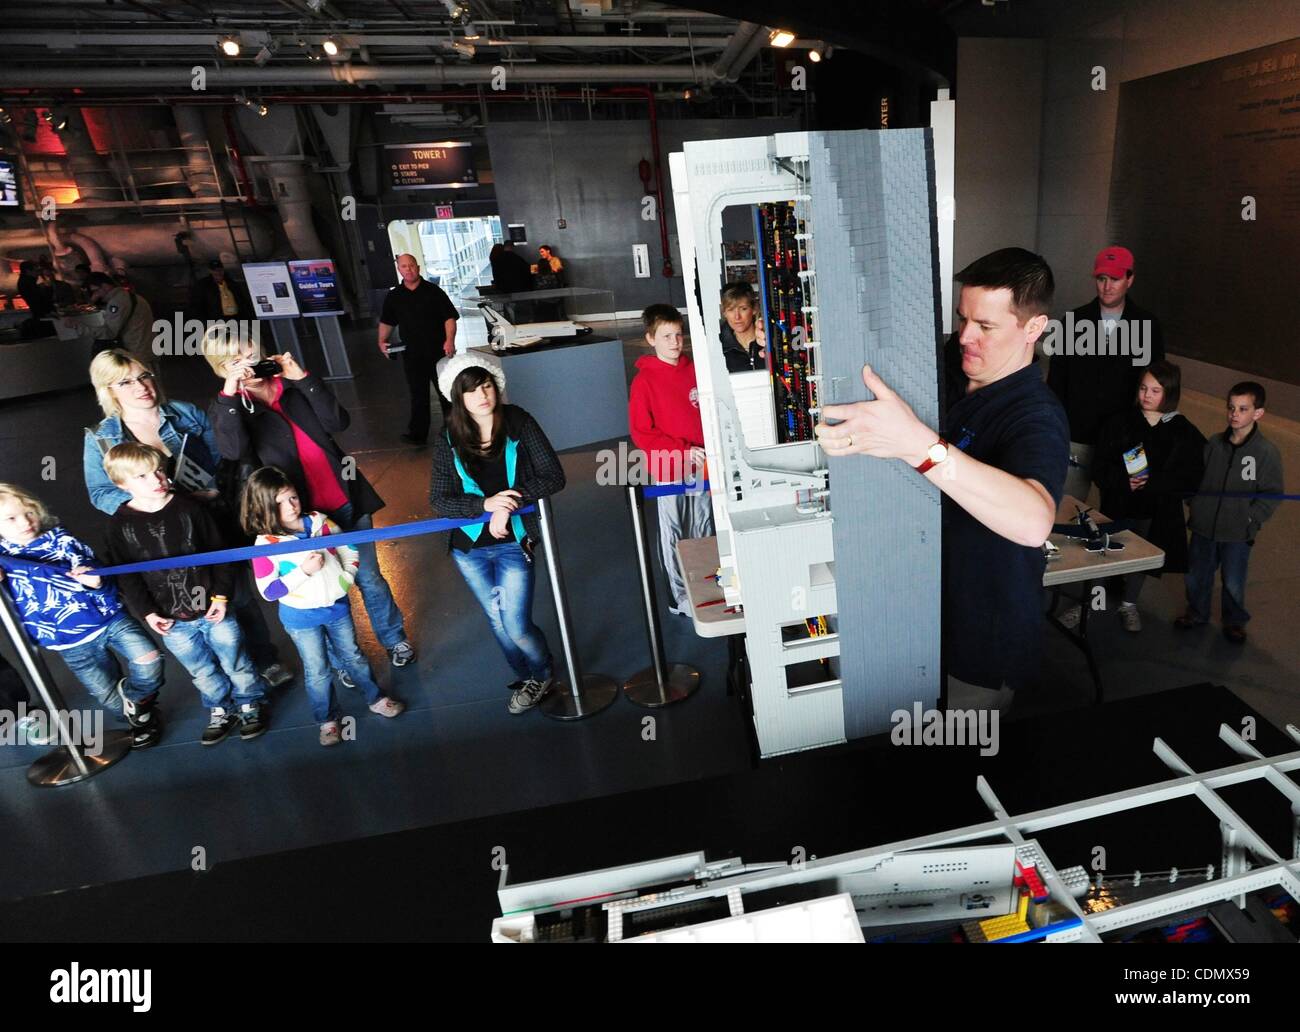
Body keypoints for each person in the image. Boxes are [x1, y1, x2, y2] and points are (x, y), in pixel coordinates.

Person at [815, 248, 1069, 712]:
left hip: (978, 641)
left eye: (987, 327)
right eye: (963, 318)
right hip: (910, 615)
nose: (966, 336)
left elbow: (1034, 522)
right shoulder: (953, 364)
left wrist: (920, 447)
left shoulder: (1035, 415)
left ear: (1033, 328)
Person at [203, 328, 417, 669]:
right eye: (233, 359)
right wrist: (231, 393)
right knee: (320, 587)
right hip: (298, 513)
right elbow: (234, 451)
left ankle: (394, 639)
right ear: (221, 367)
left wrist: (301, 377)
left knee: (369, 577)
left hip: (344, 494)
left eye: (247, 350)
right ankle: (346, 661)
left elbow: (338, 421)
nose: (245, 361)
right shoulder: (228, 405)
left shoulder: (291, 383)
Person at [83, 349, 291, 688]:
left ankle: (264, 661)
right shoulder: (100, 437)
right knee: (186, 610)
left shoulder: (185, 413)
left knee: (238, 596)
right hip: (156, 539)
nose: (141, 387)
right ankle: (220, 682)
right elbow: (100, 493)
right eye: (126, 382)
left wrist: (212, 491)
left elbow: (225, 459)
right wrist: (159, 501)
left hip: (210, 522)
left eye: (144, 376)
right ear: (109, 390)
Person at [101, 443, 269, 745]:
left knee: (236, 660)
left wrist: (220, 596)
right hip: (171, 619)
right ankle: (220, 708)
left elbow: (220, 554)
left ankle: (250, 702)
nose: (156, 481)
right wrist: (148, 613)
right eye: (142, 477)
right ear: (120, 484)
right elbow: (127, 575)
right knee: (200, 669)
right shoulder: (119, 525)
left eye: (159, 472)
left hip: (214, 608)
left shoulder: (191, 508)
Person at [429, 353, 565, 714]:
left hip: (513, 543)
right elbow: (439, 501)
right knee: (496, 619)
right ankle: (524, 676)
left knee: (516, 625)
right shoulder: (448, 437)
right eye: (471, 390)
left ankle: (542, 672)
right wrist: (486, 506)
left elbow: (554, 476)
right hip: (468, 547)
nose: (482, 395)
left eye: (486, 385)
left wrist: (508, 503)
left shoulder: (517, 421)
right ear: (458, 398)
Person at [241, 467, 406, 746]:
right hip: (300, 618)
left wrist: (346, 579)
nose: (291, 506)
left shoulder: (320, 521)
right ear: (264, 507)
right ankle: (327, 720)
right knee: (316, 670)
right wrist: (303, 571)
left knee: (353, 656)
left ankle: (376, 698)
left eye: (292, 497)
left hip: (337, 608)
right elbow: (269, 590)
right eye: (279, 502)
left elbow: (348, 548)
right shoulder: (264, 544)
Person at [0, 483, 164, 749]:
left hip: (108, 619)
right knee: (106, 695)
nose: (24, 522)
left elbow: (92, 564)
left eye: (28, 512)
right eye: (11, 519)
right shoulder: (4, 560)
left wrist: (94, 579)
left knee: (150, 659)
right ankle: (141, 719)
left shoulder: (61, 540)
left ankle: (138, 700)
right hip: (67, 639)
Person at [1075, 361, 1205, 633]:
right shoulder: (1121, 422)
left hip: (1153, 510)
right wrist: (1123, 481)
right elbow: (1101, 465)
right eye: (1144, 388)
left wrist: (1156, 483)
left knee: (1140, 558)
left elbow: (1191, 473)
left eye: (1155, 390)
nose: (1147, 395)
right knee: (1103, 554)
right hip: (1118, 505)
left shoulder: (1182, 430)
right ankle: (1092, 604)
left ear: (1169, 393)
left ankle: (1128, 603)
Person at [1046, 246, 1166, 500]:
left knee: (1127, 508)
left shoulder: (1148, 326)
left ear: (1130, 279)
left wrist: (1148, 435)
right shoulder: (1073, 321)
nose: (1107, 286)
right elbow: (1056, 382)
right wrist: (1055, 429)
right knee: (1066, 504)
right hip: (1076, 436)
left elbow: (1157, 386)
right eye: (1101, 279)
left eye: (1115, 279)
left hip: (1130, 439)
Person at [1178, 382, 1284, 644]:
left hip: (1237, 532)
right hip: (1204, 527)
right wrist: (1196, 503)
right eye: (1231, 408)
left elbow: (1271, 492)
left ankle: (1234, 621)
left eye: (1243, 409)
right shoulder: (1214, 444)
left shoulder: (1266, 453)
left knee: (1234, 581)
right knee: (1196, 574)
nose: (1234, 414)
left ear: (1258, 413)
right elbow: (1196, 476)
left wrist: (1251, 518)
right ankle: (1197, 612)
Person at [628, 304, 714, 617]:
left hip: (702, 465)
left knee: (703, 526)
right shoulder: (644, 381)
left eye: (678, 334)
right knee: (675, 532)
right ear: (651, 339)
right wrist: (679, 451)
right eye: (666, 336)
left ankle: (705, 587)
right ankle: (681, 596)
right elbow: (642, 433)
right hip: (668, 468)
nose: (675, 341)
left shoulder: (695, 370)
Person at [378, 253, 459, 447]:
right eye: (404, 266)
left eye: (412, 265)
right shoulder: (394, 296)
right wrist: (381, 341)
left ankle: (455, 432)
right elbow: (387, 321)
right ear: (400, 270)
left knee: (446, 393)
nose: (409, 269)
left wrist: (450, 340)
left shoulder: (433, 291)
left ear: (418, 267)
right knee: (418, 394)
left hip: (439, 351)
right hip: (412, 354)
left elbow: (449, 318)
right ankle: (418, 435)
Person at [77, 271, 155, 361]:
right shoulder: (131, 296)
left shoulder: (117, 302)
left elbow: (109, 332)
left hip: (136, 352)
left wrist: (79, 327)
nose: (96, 295)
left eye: (96, 290)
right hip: (146, 348)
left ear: (105, 286)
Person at [718, 282, 768, 372]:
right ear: (724, 313)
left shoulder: (768, 338)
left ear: (754, 309)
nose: (737, 317)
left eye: (743, 309)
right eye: (731, 310)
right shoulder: (719, 348)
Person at [190, 257, 252, 323]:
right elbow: (197, 304)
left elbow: (242, 300)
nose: (218, 272)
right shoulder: (203, 285)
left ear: (223, 270)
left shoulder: (232, 283)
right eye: (215, 270)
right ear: (210, 271)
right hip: (217, 321)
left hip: (236, 318)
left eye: (220, 270)